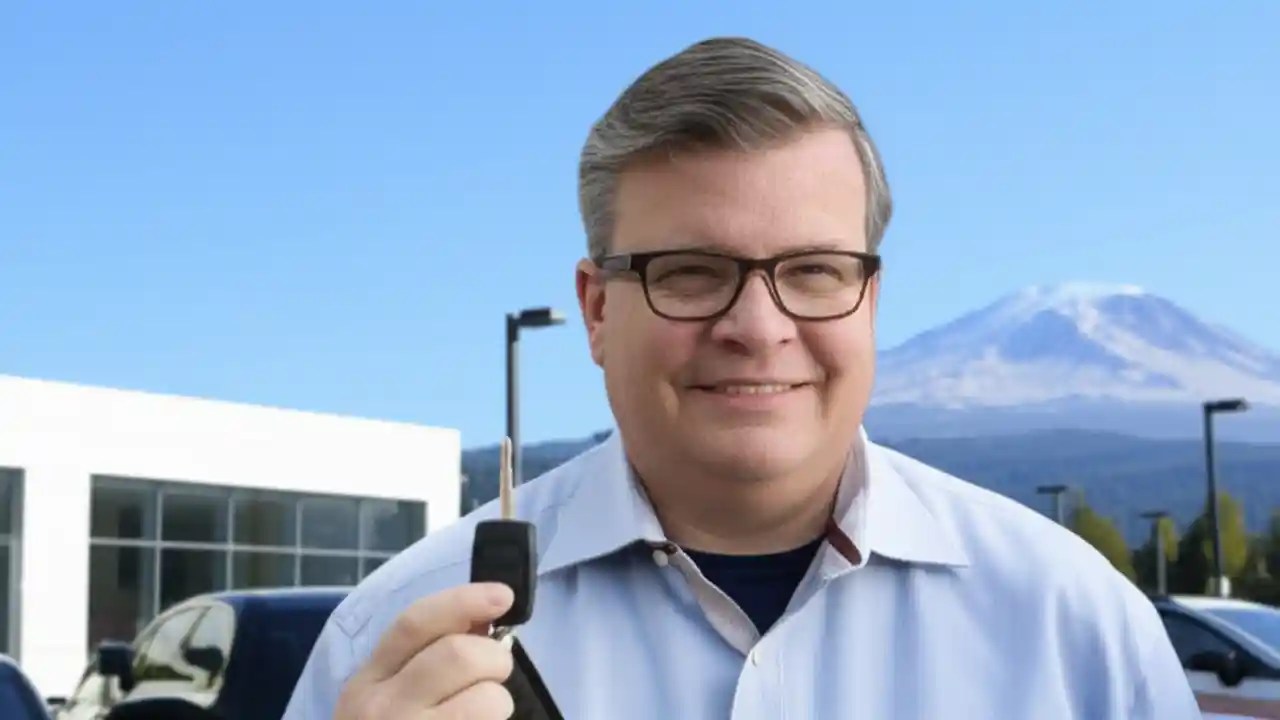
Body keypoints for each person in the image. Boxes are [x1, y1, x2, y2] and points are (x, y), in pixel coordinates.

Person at [283, 36, 1201, 719]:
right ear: (598, 310)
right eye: (690, 271)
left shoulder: (1074, 628)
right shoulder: (396, 644)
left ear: (870, 302)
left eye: (813, 271)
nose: (758, 329)